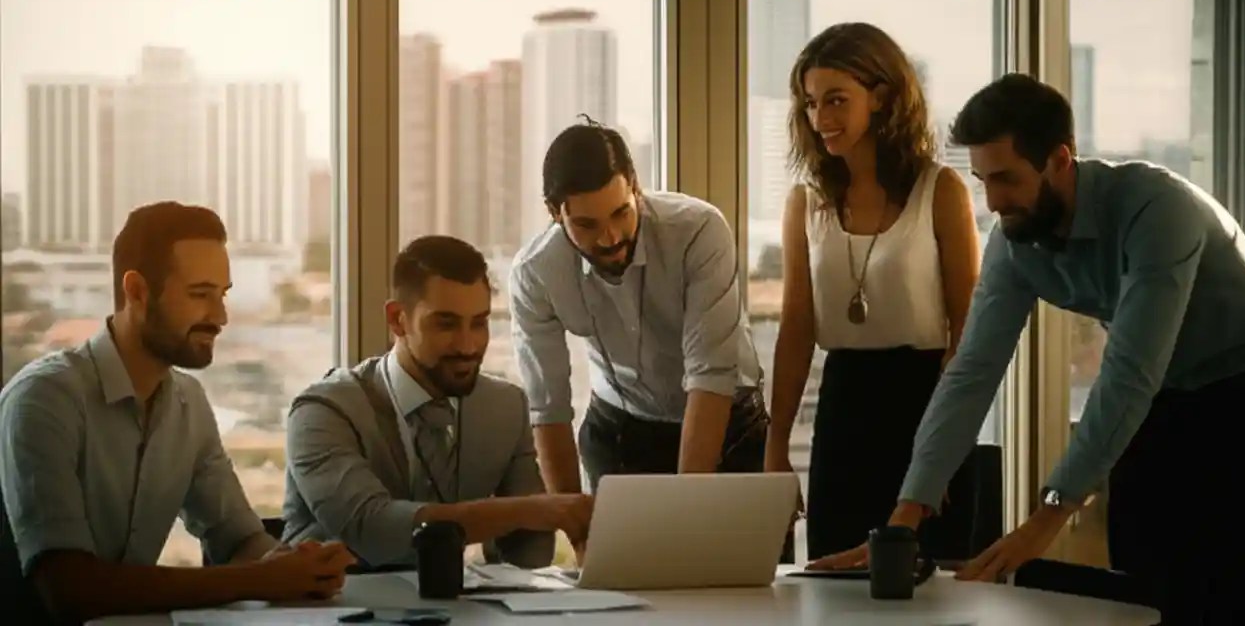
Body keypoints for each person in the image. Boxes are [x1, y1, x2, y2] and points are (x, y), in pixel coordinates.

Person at [809, 74, 1245, 623]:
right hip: (1168, 396)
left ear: (1060, 159)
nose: (993, 201)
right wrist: (903, 521)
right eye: (983, 180)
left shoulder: (1156, 209)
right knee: (1145, 580)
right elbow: (971, 374)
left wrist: (1047, 516)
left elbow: (1129, 371)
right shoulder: (1016, 239)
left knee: (1239, 584)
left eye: (1006, 179)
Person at [0, 202, 355, 625]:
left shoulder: (189, 401)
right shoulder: (44, 398)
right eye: (199, 294)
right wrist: (260, 580)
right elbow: (69, 588)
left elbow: (237, 537)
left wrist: (298, 565)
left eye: (222, 295)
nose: (221, 317)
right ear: (137, 292)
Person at [763, 22, 981, 561]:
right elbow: (795, 333)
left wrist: (944, 445)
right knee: (834, 583)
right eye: (811, 103)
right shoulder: (806, 203)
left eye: (836, 100)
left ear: (881, 97)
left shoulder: (940, 190)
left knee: (927, 588)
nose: (821, 119)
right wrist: (775, 451)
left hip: (923, 404)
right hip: (843, 410)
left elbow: (967, 330)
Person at [283, 235, 592, 570]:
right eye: (446, 324)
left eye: (479, 323)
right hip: (330, 609)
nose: (468, 345)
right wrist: (530, 510)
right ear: (397, 319)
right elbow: (371, 529)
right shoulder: (323, 411)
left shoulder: (505, 407)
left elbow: (529, 545)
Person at [509, 117, 770, 496]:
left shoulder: (698, 230)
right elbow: (548, 409)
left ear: (635, 187)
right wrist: (576, 528)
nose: (610, 237)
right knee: (613, 556)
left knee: (744, 556)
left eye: (621, 213)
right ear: (555, 212)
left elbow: (710, 376)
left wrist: (686, 504)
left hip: (726, 422)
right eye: (587, 224)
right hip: (621, 429)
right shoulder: (536, 273)